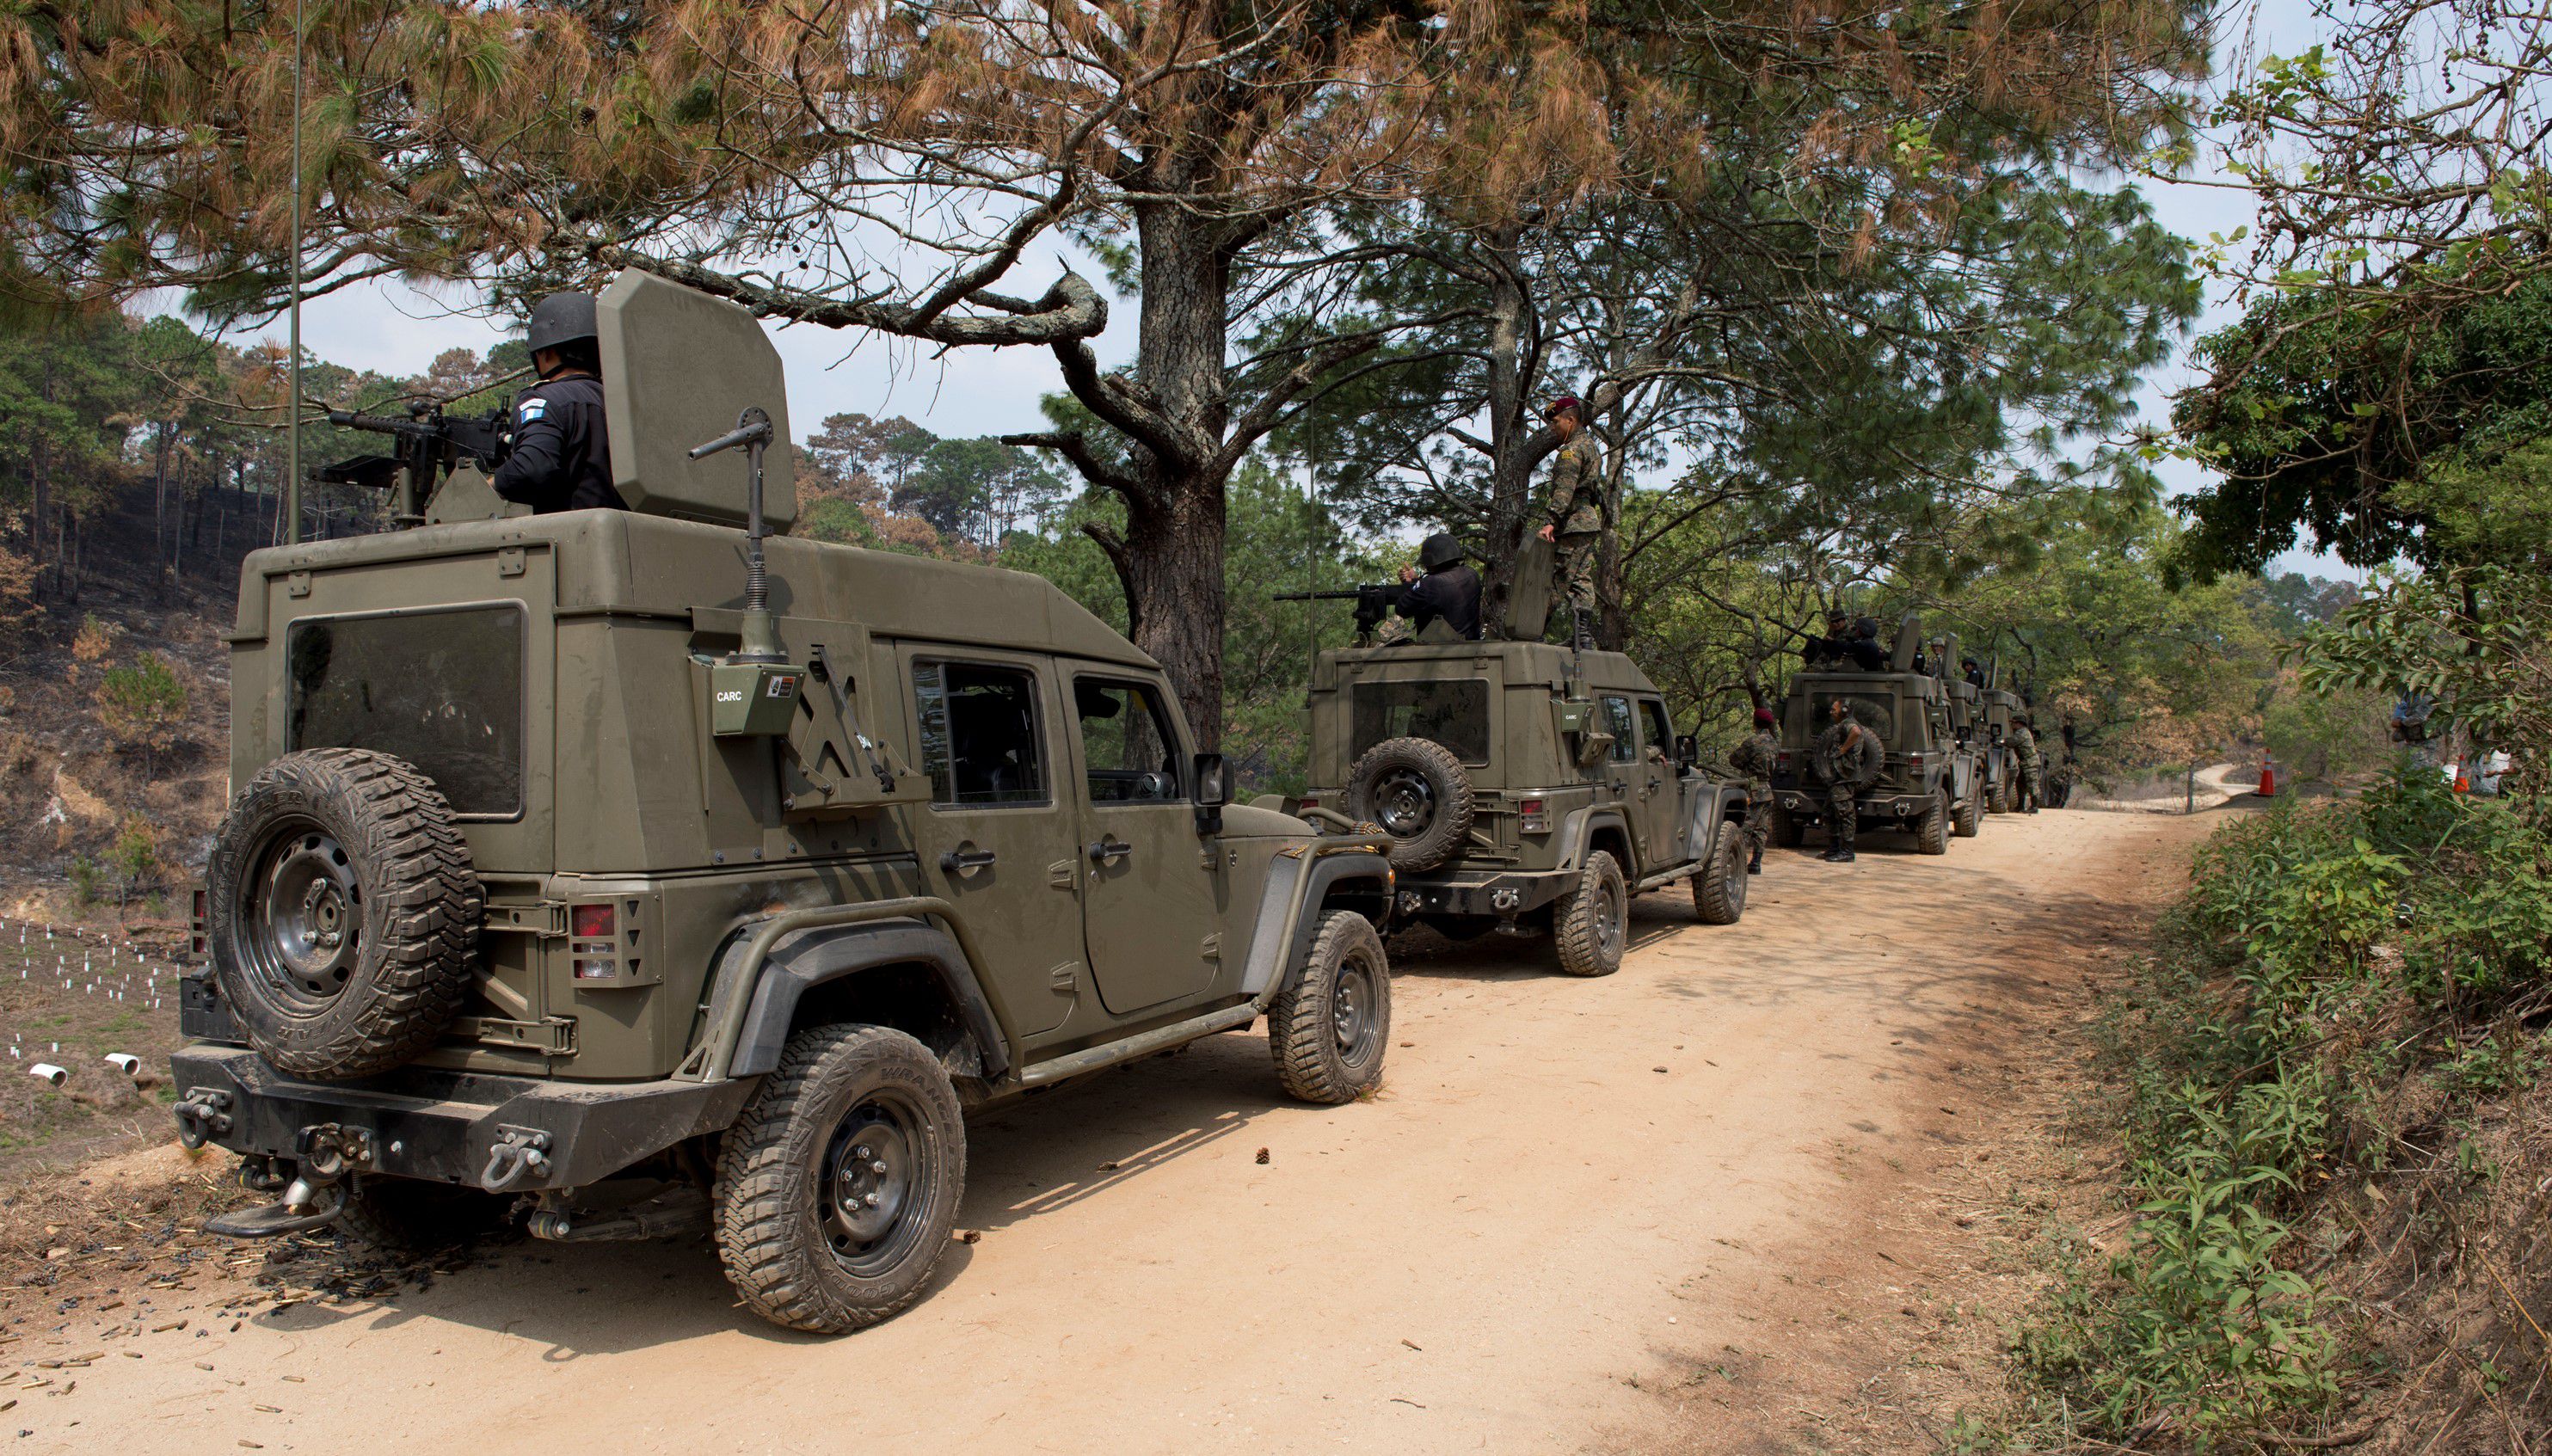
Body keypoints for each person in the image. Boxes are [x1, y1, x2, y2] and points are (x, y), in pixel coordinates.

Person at [489, 292, 626, 513]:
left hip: (569, 541)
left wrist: (492, 484)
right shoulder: (623, 402)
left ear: (546, 350)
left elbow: (531, 467)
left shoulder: (541, 399)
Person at [1535, 395, 1607, 650]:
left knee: (1556, 577)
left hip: (1573, 523)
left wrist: (1550, 521)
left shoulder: (1570, 451)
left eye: (1556, 422)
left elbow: (1564, 489)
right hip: (1587, 522)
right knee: (1580, 580)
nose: (1553, 428)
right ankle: (1583, 635)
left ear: (1570, 420)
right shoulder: (1591, 446)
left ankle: (1534, 631)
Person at [1812, 697, 1883, 862]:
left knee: (1845, 813)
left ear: (1844, 710)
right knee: (1829, 812)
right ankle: (1834, 848)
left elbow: (1856, 732)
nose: (1831, 712)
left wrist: (1843, 749)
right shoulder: (1843, 725)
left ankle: (1847, 851)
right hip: (1839, 777)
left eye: (1834, 709)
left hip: (1845, 776)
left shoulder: (1848, 724)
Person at [1395, 531, 1482, 642]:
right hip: (1470, 647)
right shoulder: (1472, 574)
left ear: (1429, 561)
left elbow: (1401, 609)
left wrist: (1413, 584)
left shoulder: (1430, 584)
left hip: (1440, 652)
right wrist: (1417, 581)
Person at [1726, 706, 1780, 875]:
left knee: (1746, 825)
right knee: (1761, 828)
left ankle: (1737, 861)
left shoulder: (1752, 742)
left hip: (1753, 788)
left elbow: (1734, 760)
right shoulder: (1774, 743)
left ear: (1755, 722)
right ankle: (1756, 862)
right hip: (1767, 788)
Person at [2011, 710, 2045, 814]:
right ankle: (2020, 806)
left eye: (2013, 722)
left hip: (2030, 762)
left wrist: (2002, 742)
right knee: (2020, 783)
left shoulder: (2022, 733)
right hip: (2025, 762)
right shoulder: (2021, 732)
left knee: (2032, 783)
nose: (2012, 725)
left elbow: (2013, 741)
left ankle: (2034, 806)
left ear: (2018, 723)